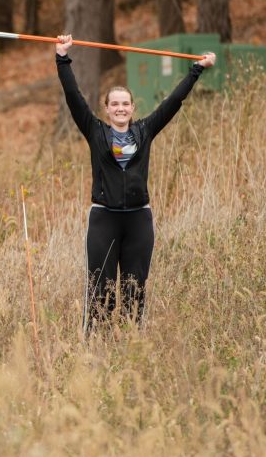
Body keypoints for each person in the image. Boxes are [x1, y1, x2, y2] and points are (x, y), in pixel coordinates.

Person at [55, 34, 216, 329]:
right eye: (114, 104)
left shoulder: (146, 130)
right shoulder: (95, 131)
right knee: (101, 293)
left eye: (125, 104)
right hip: (104, 219)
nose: (120, 108)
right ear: (106, 108)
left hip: (138, 221)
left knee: (134, 291)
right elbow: (73, 97)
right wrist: (62, 58)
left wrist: (197, 69)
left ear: (132, 108)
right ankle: (97, 353)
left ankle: (131, 348)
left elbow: (173, 102)